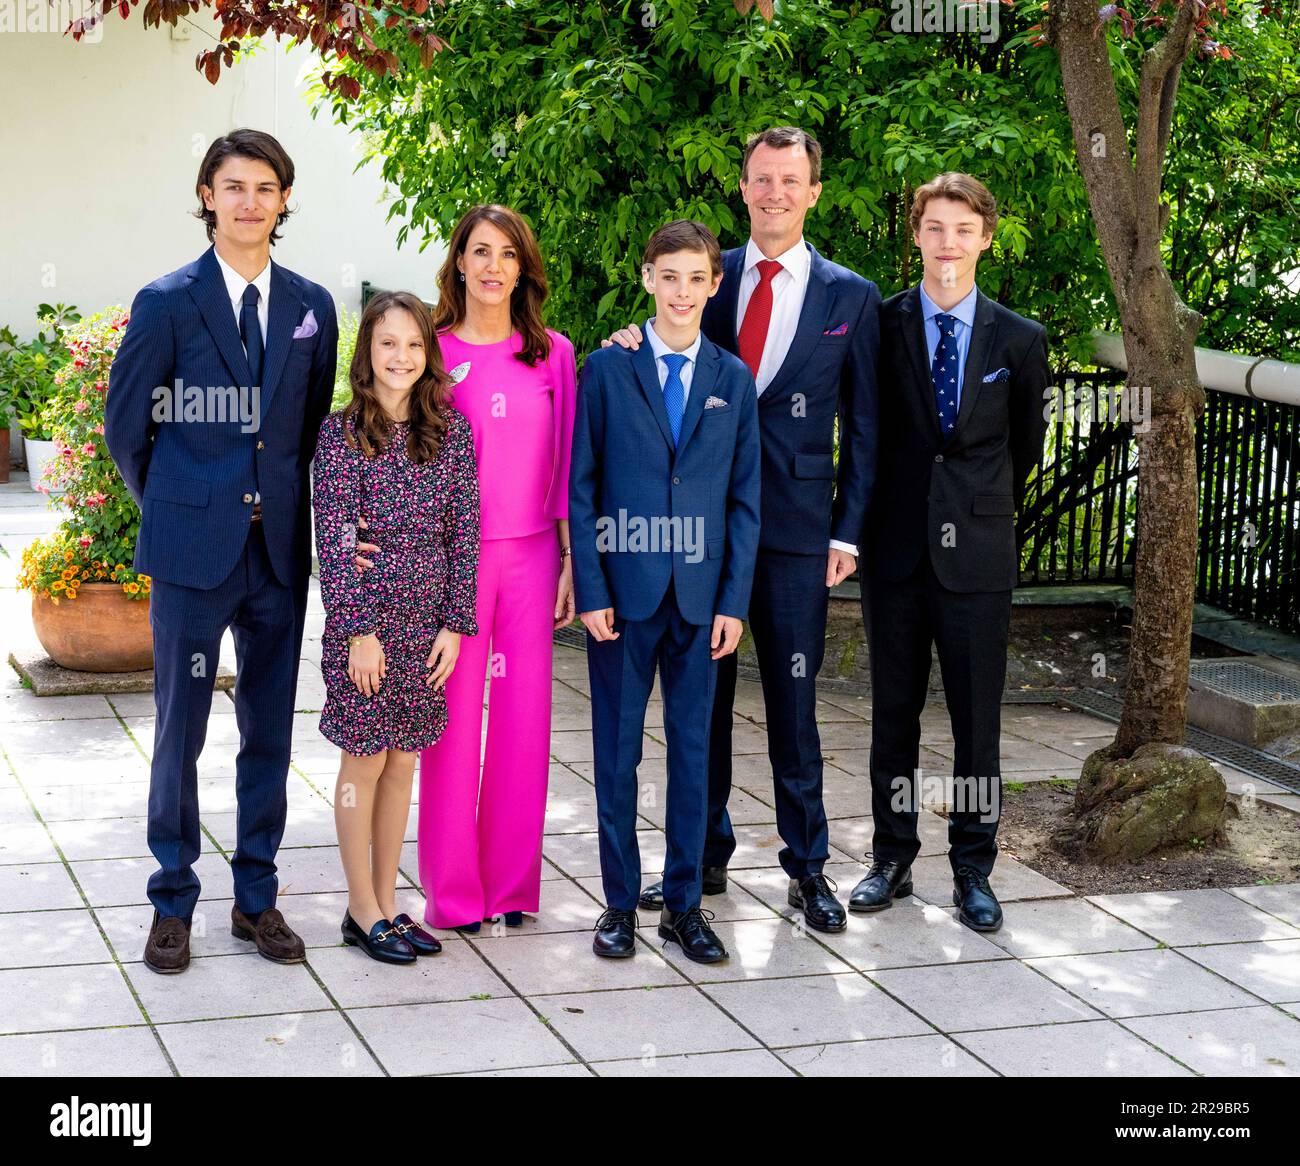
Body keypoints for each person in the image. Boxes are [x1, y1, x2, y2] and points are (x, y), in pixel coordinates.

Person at [608, 127, 879, 933]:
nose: (774, 194)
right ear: (744, 187)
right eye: (762, 180)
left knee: (795, 705)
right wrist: (628, 339)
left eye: (790, 181)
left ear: (814, 191)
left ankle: (809, 868)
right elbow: (665, 344)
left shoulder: (850, 296)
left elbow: (865, 428)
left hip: (798, 535)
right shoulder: (709, 276)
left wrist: (847, 533)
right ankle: (705, 857)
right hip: (703, 531)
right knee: (705, 704)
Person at [105, 129, 338, 974]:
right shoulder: (167, 301)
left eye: (265, 188)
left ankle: (257, 898)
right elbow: (127, 428)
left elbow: (307, 431)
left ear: (283, 200)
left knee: (269, 731)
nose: (249, 202)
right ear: (207, 195)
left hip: (277, 554)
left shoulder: (313, 305)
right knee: (181, 730)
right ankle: (172, 897)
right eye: (232, 186)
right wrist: (178, 508)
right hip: (192, 556)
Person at [851, 173, 1050, 932]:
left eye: (962, 230)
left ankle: (973, 868)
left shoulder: (1020, 338)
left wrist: (977, 511)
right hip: (896, 552)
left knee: (977, 723)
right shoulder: (882, 322)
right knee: (892, 714)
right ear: (916, 235)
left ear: (985, 238)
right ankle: (891, 859)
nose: (948, 243)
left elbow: (1024, 447)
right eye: (935, 228)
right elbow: (867, 430)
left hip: (977, 558)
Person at [571, 220, 761, 963]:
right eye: (668, 276)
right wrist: (589, 586)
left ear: (716, 285)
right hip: (623, 595)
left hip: (701, 600)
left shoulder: (732, 380)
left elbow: (745, 499)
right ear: (647, 278)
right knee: (617, 756)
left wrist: (734, 602)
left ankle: (684, 905)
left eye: (697, 279)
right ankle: (618, 903)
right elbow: (581, 487)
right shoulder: (607, 370)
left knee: (694, 756)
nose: (682, 292)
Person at [398, 205, 576, 933]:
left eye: (507, 253)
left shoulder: (555, 355)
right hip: (454, 565)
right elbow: (407, 460)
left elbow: (568, 464)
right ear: (459, 264)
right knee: (449, 725)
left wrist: (571, 561)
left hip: (534, 558)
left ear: (523, 268)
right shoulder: (431, 354)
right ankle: (454, 894)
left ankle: (510, 888)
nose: (494, 266)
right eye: (480, 251)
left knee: (524, 725)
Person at [313, 290, 480, 963]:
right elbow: (332, 536)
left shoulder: (452, 432)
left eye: (414, 344)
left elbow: (465, 531)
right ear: (367, 353)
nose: (401, 356)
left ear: (428, 354)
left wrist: (456, 624)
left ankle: (387, 903)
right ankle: (359, 909)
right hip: (369, 627)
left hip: (426, 625)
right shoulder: (341, 434)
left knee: (404, 757)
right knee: (366, 755)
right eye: (388, 343)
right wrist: (357, 629)